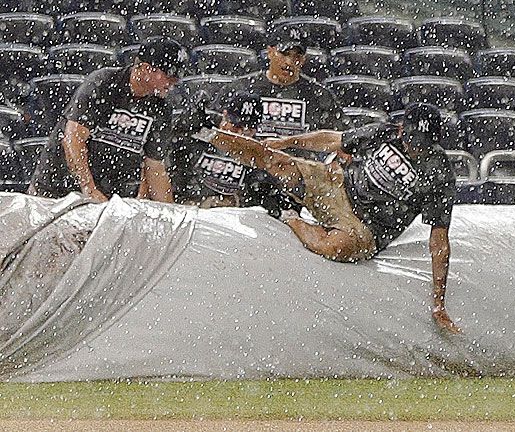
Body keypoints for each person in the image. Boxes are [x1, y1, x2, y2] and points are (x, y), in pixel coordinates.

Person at [194, 103, 461, 334]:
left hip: (366, 227)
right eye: (413, 141)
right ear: (402, 130)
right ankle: (207, 132)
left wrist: (439, 302)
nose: (416, 149)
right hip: (338, 186)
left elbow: (439, 241)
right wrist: (287, 142)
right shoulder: (385, 132)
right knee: (275, 162)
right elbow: (333, 140)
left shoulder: (439, 173)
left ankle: (287, 216)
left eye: (423, 144)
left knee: (336, 247)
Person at [28, 36, 188, 202]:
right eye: (169, 75)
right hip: (56, 189)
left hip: (109, 198)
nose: (174, 82)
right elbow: (73, 139)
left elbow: (155, 168)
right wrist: (89, 189)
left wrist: (171, 214)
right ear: (146, 68)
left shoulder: (161, 109)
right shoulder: (103, 83)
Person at [212, 36, 350, 216]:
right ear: (270, 52)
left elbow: (344, 141)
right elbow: (214, 132)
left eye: (297, 56)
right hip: (244, 182)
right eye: (284, 54)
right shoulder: (241, 88)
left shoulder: (320, 96)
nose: (290, 62)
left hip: (296, 187)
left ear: (304, 59)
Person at [171, 91, 264, 208]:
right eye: (236, 126)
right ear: (225, 115)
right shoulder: (198, 127)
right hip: (186, 206)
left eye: (248, 130)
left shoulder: (257, 153)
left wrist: (231, 201)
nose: (240, 134)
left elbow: (258, 196)